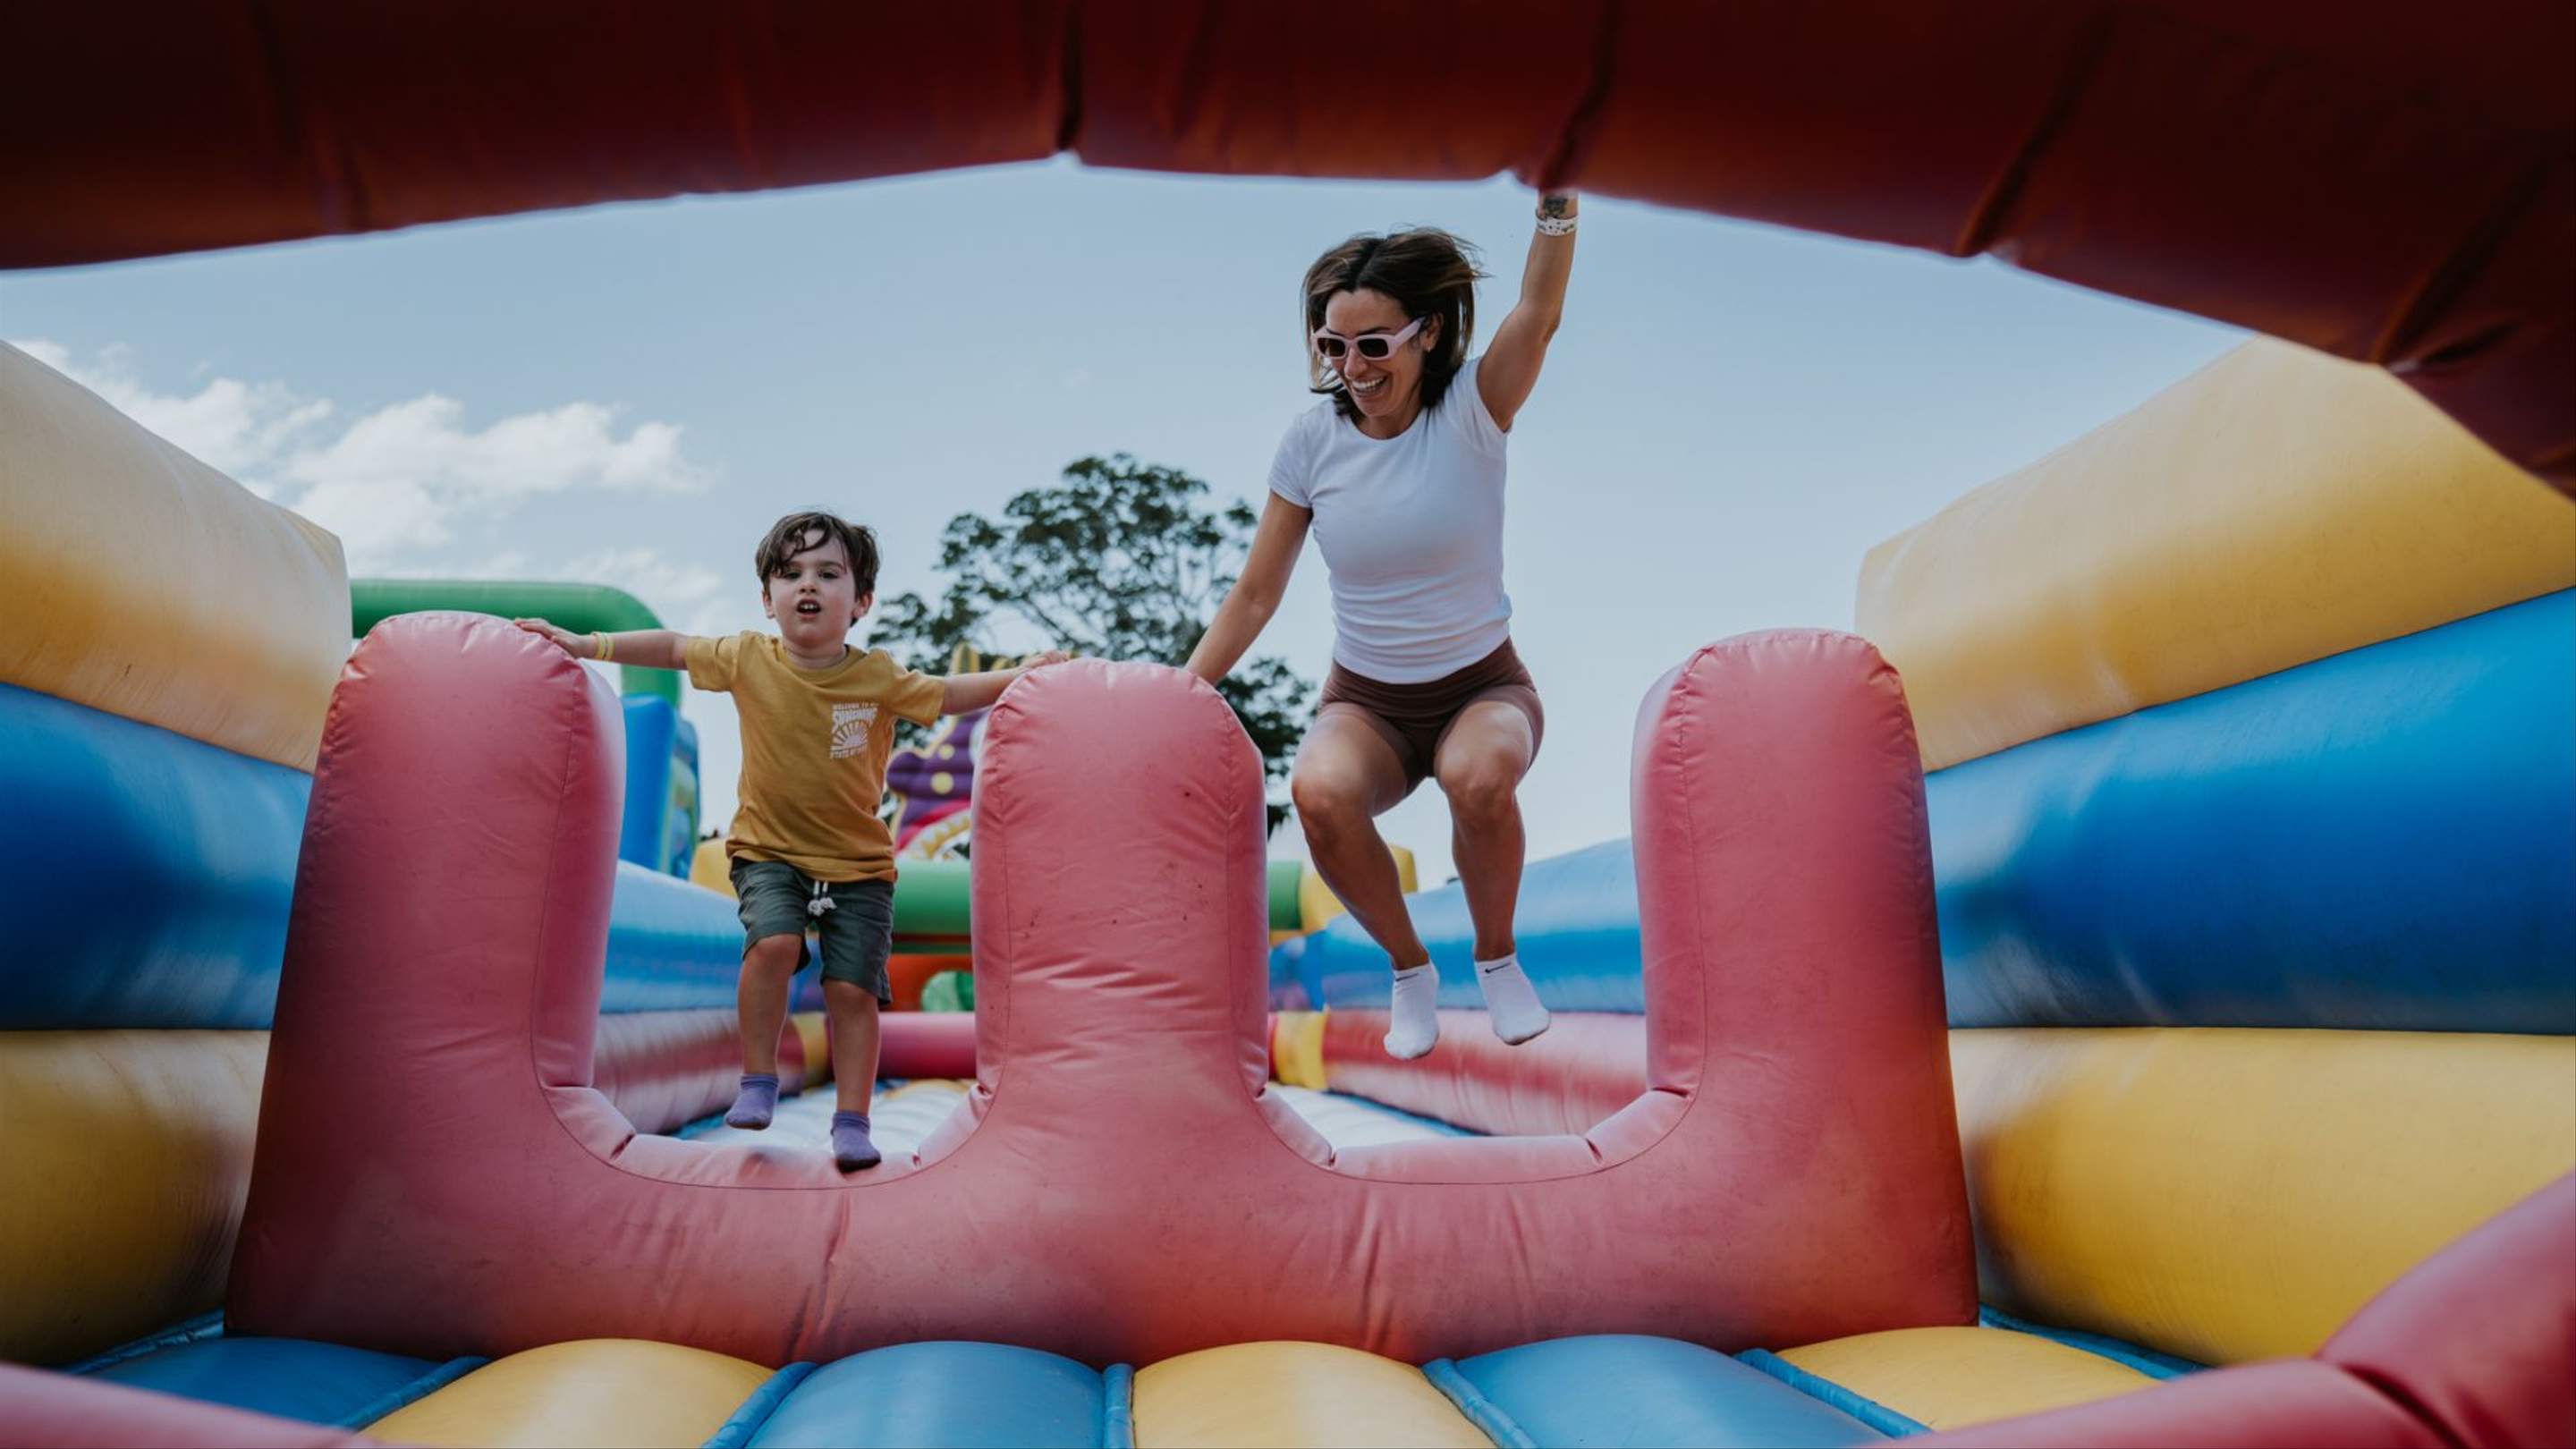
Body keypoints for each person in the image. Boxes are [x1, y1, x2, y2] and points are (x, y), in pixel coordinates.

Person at [516, 511, 1063, 1169]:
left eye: (828, 574)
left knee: (852, 992)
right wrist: (589, 643)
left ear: (859, 602)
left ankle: (853, 1121)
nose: (808, 585)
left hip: (858, 863)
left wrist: (1022, 674)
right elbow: (671, 649)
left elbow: (947, 695)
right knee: (773, 944)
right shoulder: (748, 657)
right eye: (791, 573)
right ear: (767, 598)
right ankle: (757, 1078)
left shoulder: (880, 679)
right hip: (769, 851)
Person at [1187, 192, 1580, 1060]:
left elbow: (1539, 316)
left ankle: (1497, 956)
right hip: (1368, 702)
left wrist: (1557, 208)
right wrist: (1183, 692)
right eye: (1333, 347)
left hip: (1483, 685)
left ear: (1428, 334)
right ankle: (1411, 970)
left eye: (1374, 345)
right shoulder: (1309, 442)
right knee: (1318, 795)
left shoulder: (1474, 407)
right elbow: (1256, 594)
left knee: (1477, 779)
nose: (1353, 367)